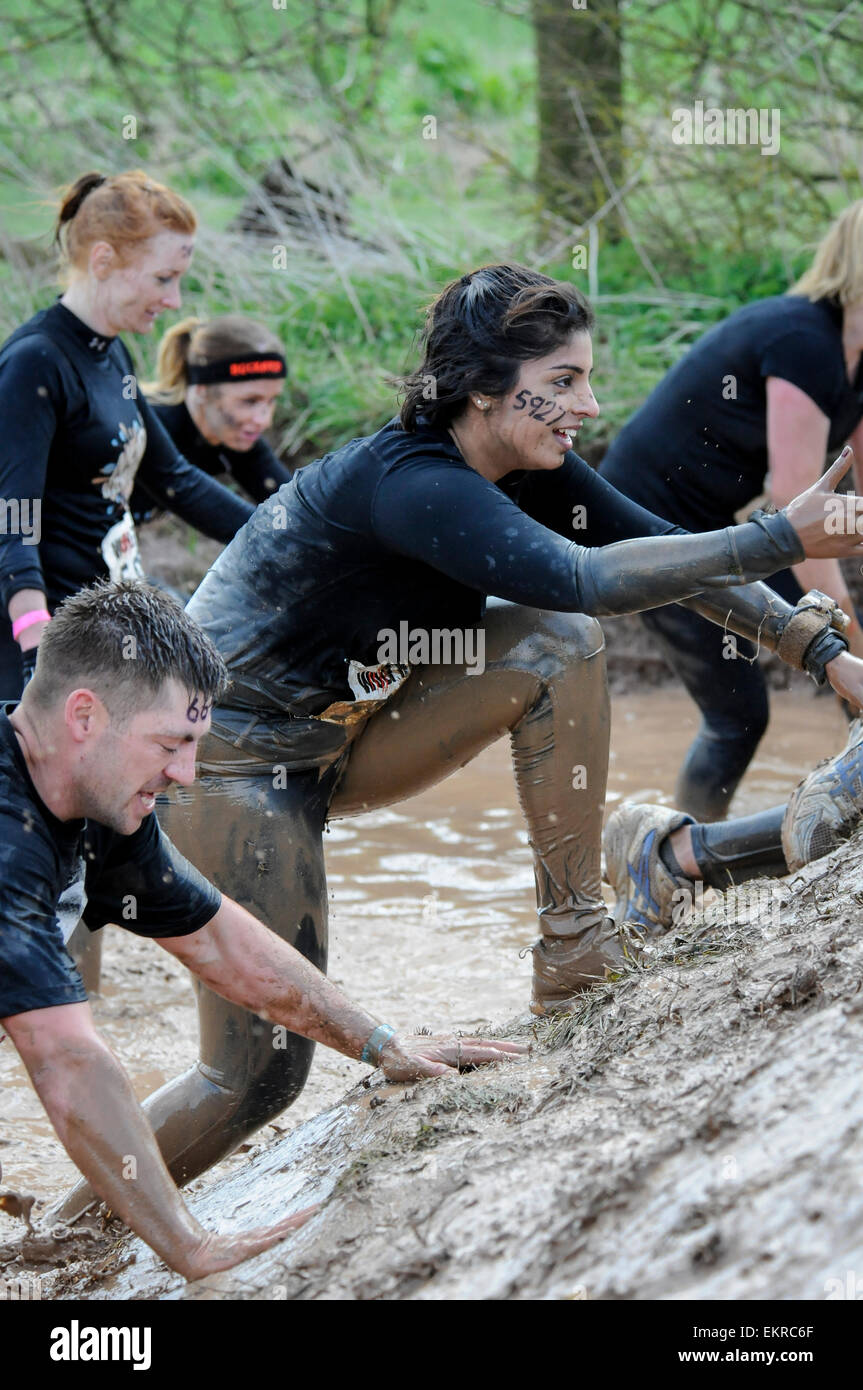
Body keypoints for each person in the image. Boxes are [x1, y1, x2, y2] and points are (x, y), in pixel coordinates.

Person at [53, 262, 863, 1222]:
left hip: (340, 740)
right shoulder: (412, 482)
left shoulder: (528, 465)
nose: (586, 404)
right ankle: (72, 1241)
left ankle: (573, 947)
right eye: (561, 382)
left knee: (555, 643)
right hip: (229, 768)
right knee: (258, 1080)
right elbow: (590, 576)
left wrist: (822, 651)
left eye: (586, 379)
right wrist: (779, 532)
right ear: (484, 383)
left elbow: (651, 555)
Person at [0, 581, 523, 1279]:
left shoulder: (94, 802)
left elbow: (218, 940)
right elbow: (64, 1058)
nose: (186, 776)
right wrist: (191, 1249)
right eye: (171, 744)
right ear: (85, 717)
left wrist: (380, 1044)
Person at [599, 201, 863, 821]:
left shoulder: (859, 359)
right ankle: (677, 856)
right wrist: (848, 623)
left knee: (834, 640)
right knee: (740, 713)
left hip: (716, 530)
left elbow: (855, 493)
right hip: (639, 525)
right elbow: (798, 506)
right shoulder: (804, 340)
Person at [0, 169, 256, 705]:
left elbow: (174, 479)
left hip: (110, 613)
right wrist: (33, 643)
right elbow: (13, 516)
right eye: (163, 279)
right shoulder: (35, 363)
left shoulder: (110, 350)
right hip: (47, 642)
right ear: (103, 261)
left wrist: (286, 534)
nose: (175, 298)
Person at [129, 315, 294, 529]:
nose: (264, 420)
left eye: (272, 401)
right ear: (201, 391)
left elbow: (293, 511)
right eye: (249, 401)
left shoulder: (233, 435)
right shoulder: (143, 425)